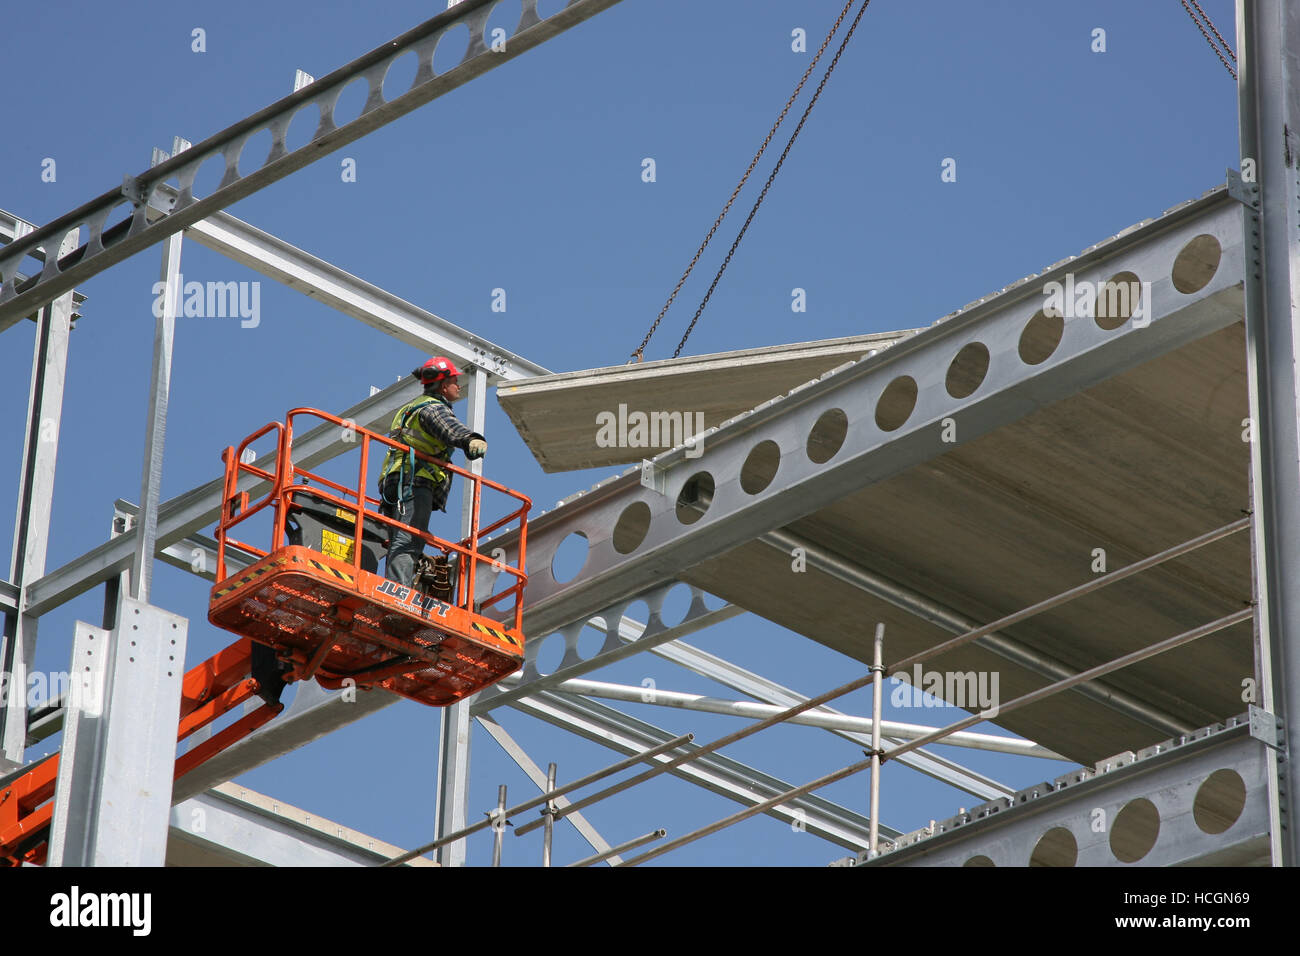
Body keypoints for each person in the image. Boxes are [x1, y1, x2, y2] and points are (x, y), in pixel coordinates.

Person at [378, 356, 487, 587]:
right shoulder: (433, 408)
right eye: (454, 381)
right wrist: (471, 440)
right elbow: (449, 428)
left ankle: (399, 585)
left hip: (396, 481)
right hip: (415, 481)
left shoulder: (411, 408)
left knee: (399, 536)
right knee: (409, 538)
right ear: (443, 385)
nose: (459, 385)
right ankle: (398, 591)